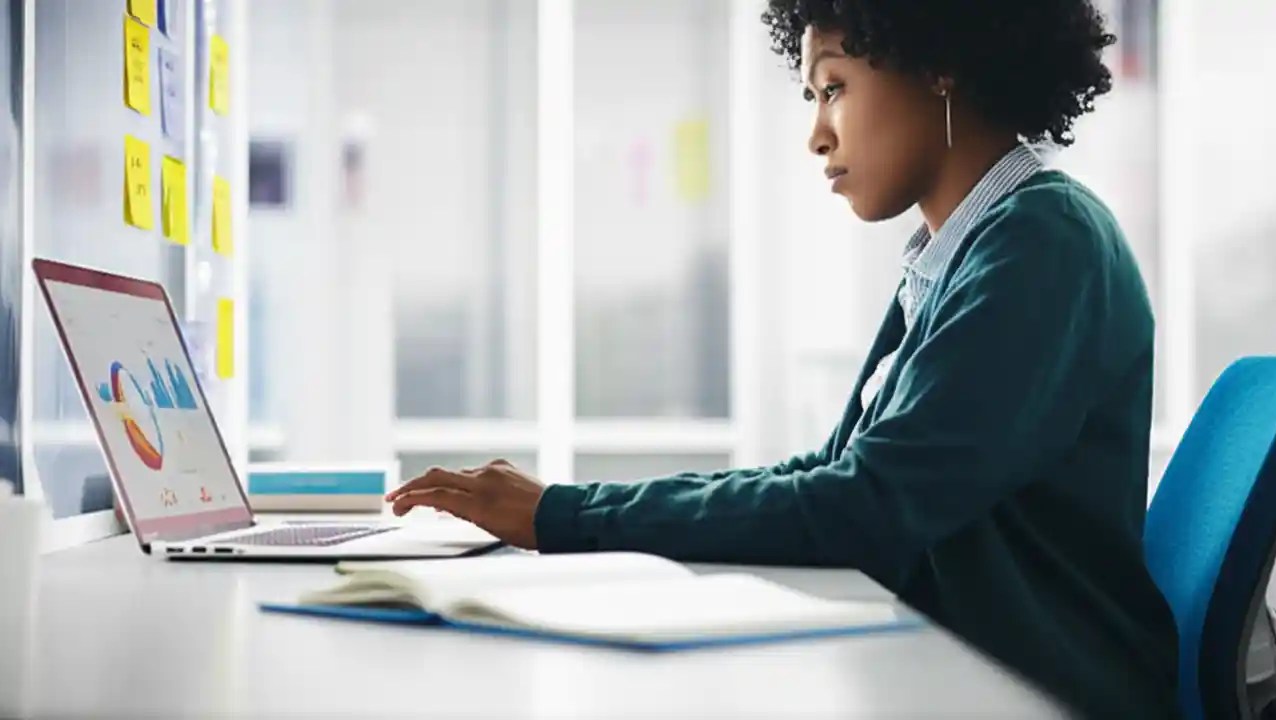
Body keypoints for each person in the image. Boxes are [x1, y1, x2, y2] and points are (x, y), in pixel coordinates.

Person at [386, 0, 1180, 715]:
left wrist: (565, 515)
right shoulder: (957, 254)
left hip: (1041, 693)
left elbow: (863, 508)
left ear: (940, 63)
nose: (817, 135)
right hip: (961, 671)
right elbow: (831, 476)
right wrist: (568, 508)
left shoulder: (1043, 246)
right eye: (812, 98)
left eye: (832, 87)